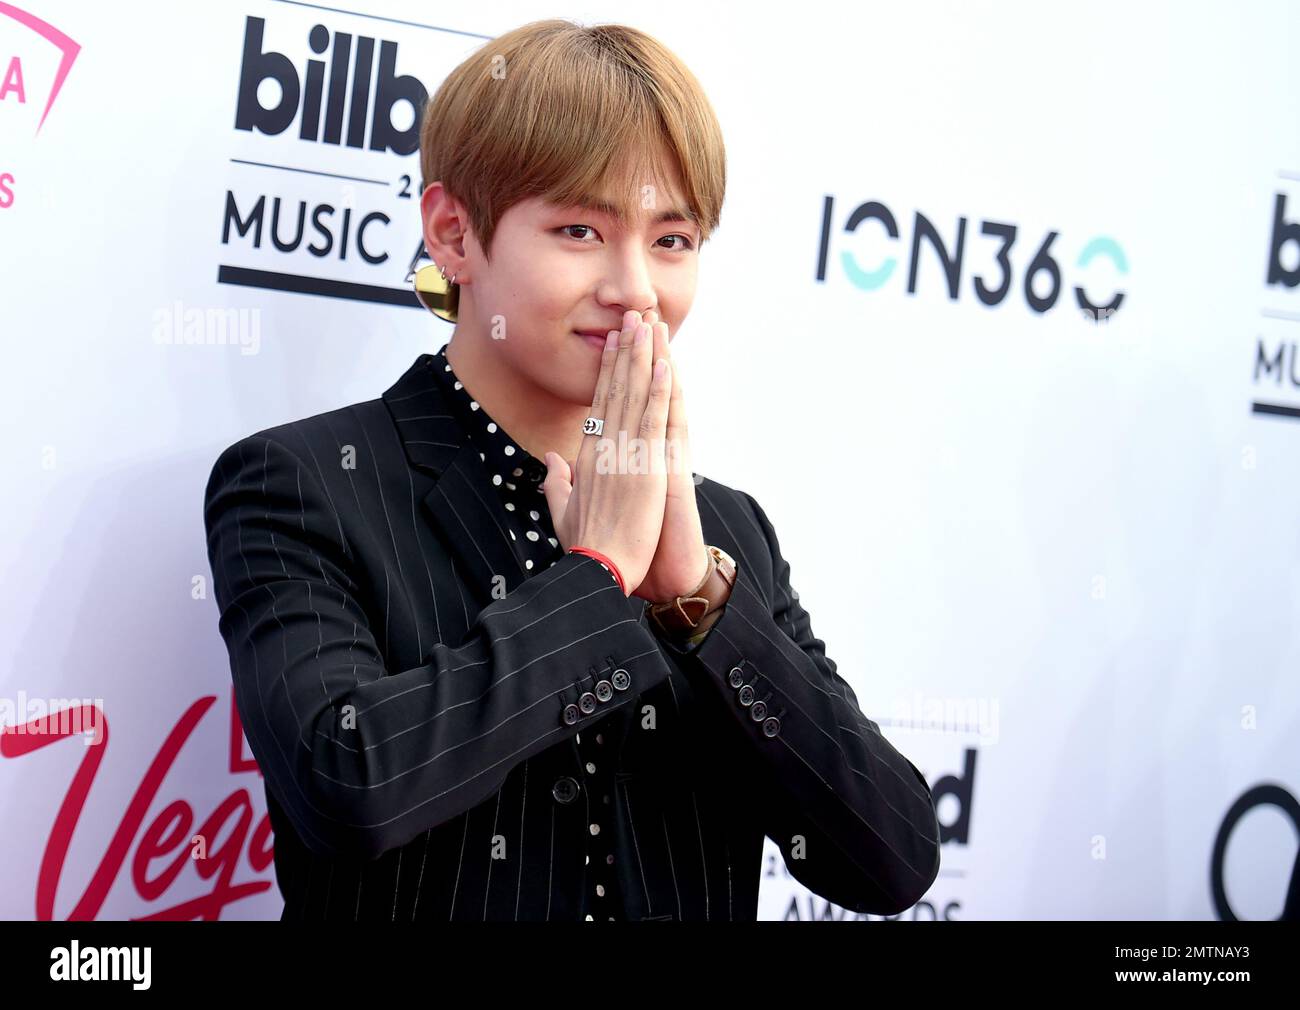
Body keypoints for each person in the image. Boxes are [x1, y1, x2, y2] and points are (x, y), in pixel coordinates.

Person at [203, 17, 940, 921]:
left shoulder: (725, 534)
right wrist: (596, 584)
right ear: (454, 234)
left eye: (672, 240)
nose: (635, 287)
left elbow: (890, 860)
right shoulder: (305, 484)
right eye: (581, 229)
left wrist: (697, 601)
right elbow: (347, 785)